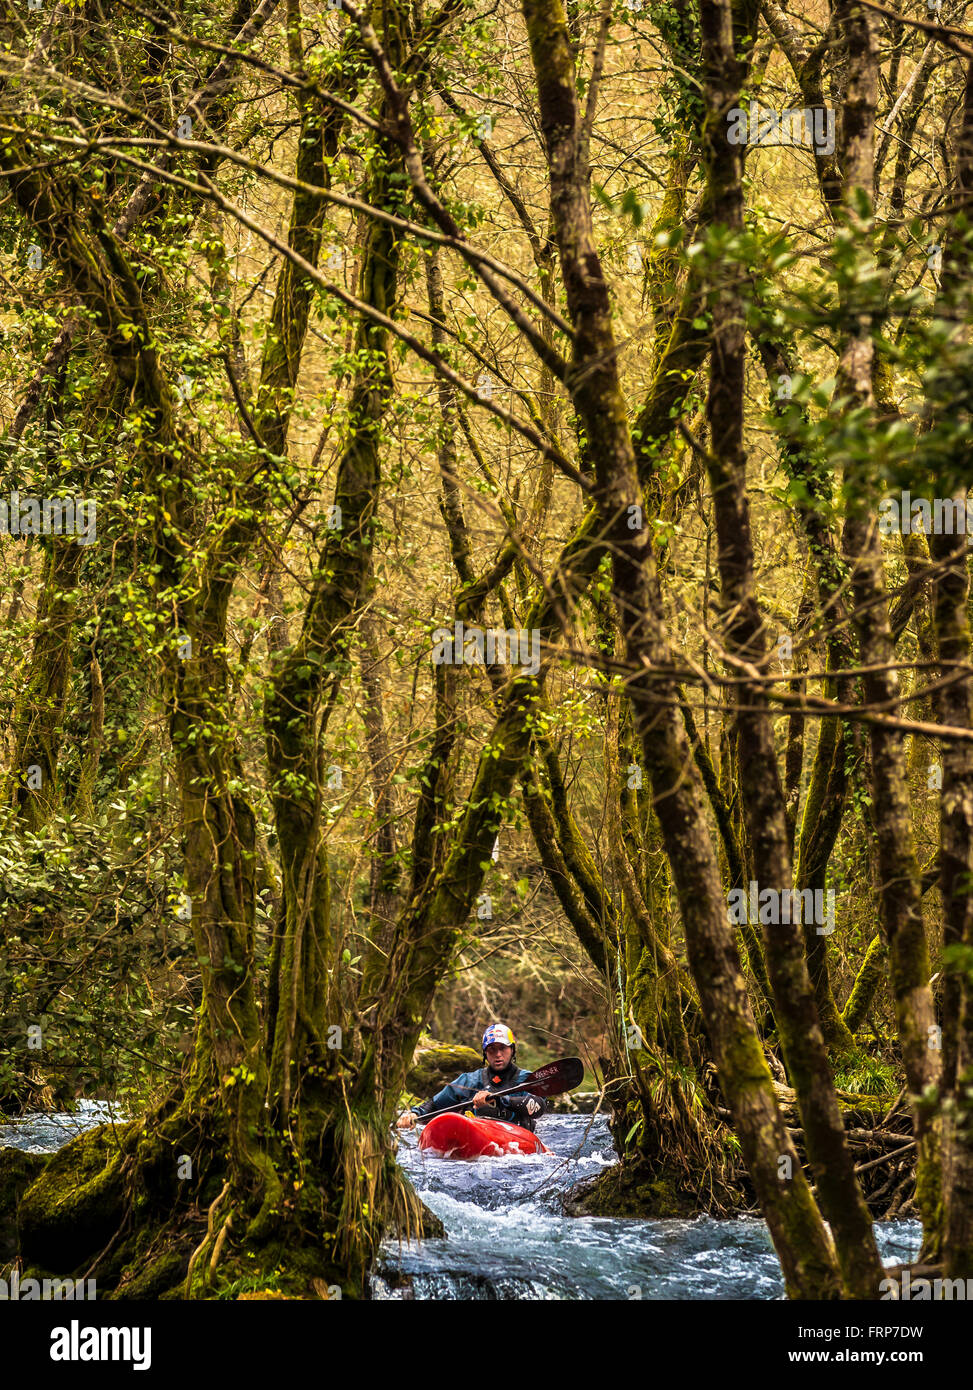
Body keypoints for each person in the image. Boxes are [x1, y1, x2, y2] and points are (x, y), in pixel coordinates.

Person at [396, 1023, 547, 1132]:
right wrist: (415, 1113)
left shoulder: (527, 1079)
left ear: (512, 1050)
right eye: (492, 1049)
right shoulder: (470, 1080)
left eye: (503, 1048)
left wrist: (499, 1100)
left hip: (517, 1140)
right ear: (485, 1054)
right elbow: (436, 1104)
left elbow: (539, 1107)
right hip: (479, 1136)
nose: (498, 1054)